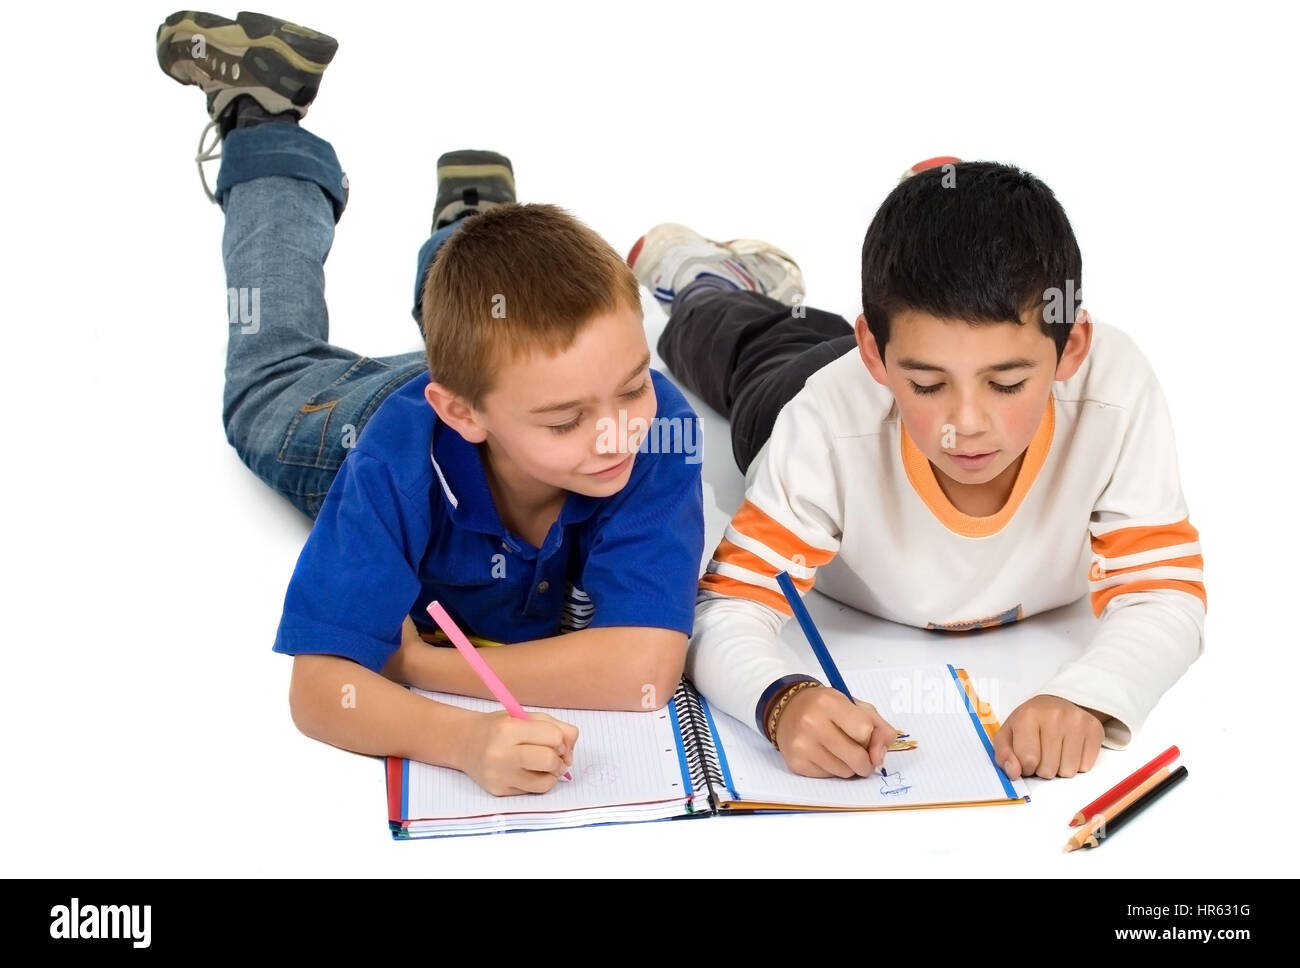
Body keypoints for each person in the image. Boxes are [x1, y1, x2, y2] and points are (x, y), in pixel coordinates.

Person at [156, 11, 705, 796]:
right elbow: (322, 690)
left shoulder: (657, 426)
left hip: (501, 378)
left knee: (494, 327)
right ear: (460, 415)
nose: (617, 428)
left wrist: (420, 665)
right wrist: (466, 741)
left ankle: (470, 229)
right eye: (568, 422)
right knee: (264, 378)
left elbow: (644, 673)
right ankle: (263, 123)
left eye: (634, 384)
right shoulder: (395, 457)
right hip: (349, 416)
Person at [631, 157, 1205, 781]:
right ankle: (707, 284)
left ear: (1071, 348)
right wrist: (780, 699)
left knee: (838, 336)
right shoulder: (824, 423)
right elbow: (723, 609)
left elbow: (1165, 593)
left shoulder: (1115, 393)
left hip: (885, 364)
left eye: (1007, 383)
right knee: (747, 343)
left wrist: (1087, 696)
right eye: (929, 385)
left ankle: (937, 204)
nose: (968, 422)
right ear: (874, 355)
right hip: (797, 387)